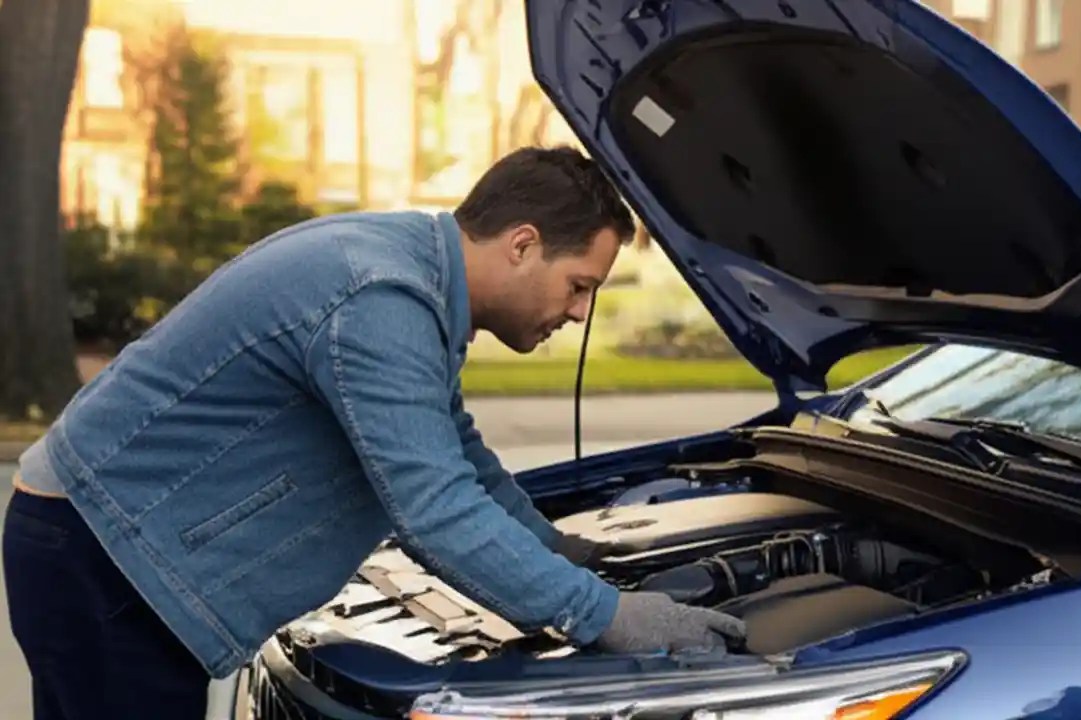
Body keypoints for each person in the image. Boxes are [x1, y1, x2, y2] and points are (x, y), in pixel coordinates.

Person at [4, 146, 746, 719]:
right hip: (104, 561)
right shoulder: (381, 301)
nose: (579, 313)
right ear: (521, 245)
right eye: (579, 285)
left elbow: (459, 454)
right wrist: (607, 616)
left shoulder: (410, 272)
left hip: (94, 544)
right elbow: (438, 512)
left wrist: (557, 551)